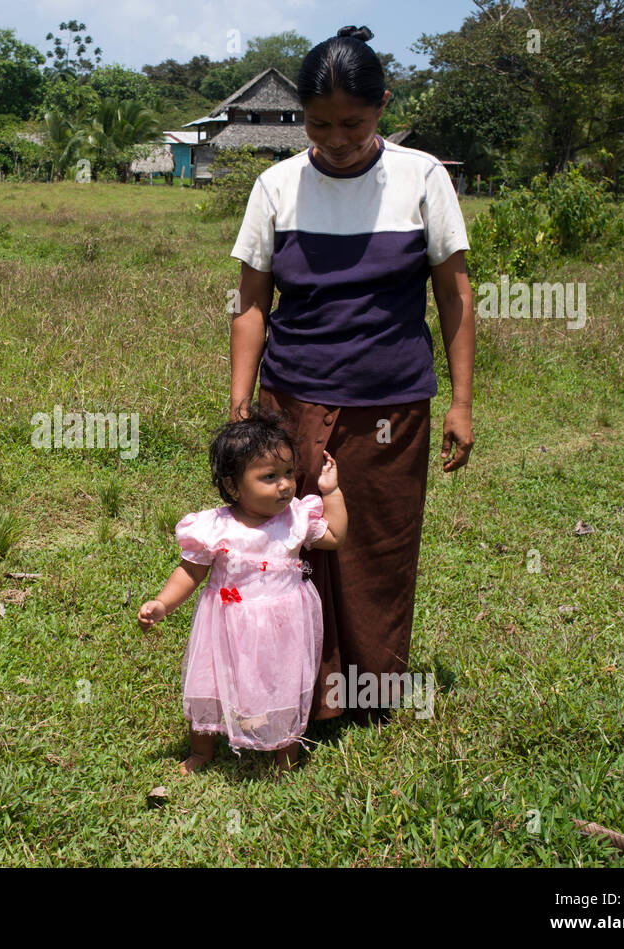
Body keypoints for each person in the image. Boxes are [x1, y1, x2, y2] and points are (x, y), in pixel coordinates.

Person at [228, 25, 475, 725]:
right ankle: (297, 688)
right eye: (319, 124)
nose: (335, 138)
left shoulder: (422, 177)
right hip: (291, 396)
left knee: (377, 543)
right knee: (290, 542)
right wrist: (242, 398)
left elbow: (454, 294)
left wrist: (460, 401)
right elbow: (252, 301)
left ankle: (368, 692)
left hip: (391, 404)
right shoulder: (275, 186)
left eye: (353, 123)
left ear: (383, 108)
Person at [138, 412, 347, 772]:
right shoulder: (213, 526)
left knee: (282, 688)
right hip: (225, 626)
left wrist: (331, 492)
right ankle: (202, 750)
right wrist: (162, 603)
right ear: (233, 486)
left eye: (288, 473)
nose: (284, 485)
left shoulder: (297, 517)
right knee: (211, 684)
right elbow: (190, 572)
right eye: (269, 477)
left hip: (283, 626)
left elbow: (335, 537)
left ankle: (286, 755)